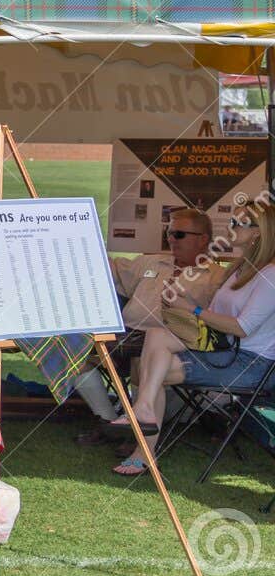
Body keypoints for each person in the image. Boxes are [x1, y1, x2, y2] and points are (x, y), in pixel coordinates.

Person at [113, 203, 275, 475]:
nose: (231, 227)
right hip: (224, 349)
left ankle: (143, 449)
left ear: (259, 233)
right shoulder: (239, 268)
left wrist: (194, 310)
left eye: (238, 223)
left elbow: (242, 328)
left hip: (250, 364)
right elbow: (220, 319)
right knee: (155, 336)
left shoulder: (270, 275)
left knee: (152, 369)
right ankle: (142, 414)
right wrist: (186, 302)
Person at [70, 207, 227, 439]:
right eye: (169, 233)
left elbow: (216, 324)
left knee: (141, 357)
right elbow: (109, 269)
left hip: (170, 344)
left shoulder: (216, 277)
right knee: (73, 354)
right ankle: (110, 421)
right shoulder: (151, 263)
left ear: (203, 239)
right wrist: (81, 239)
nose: (171, 239)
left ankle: (136, 431)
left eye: (179, 234)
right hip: (126, 335)